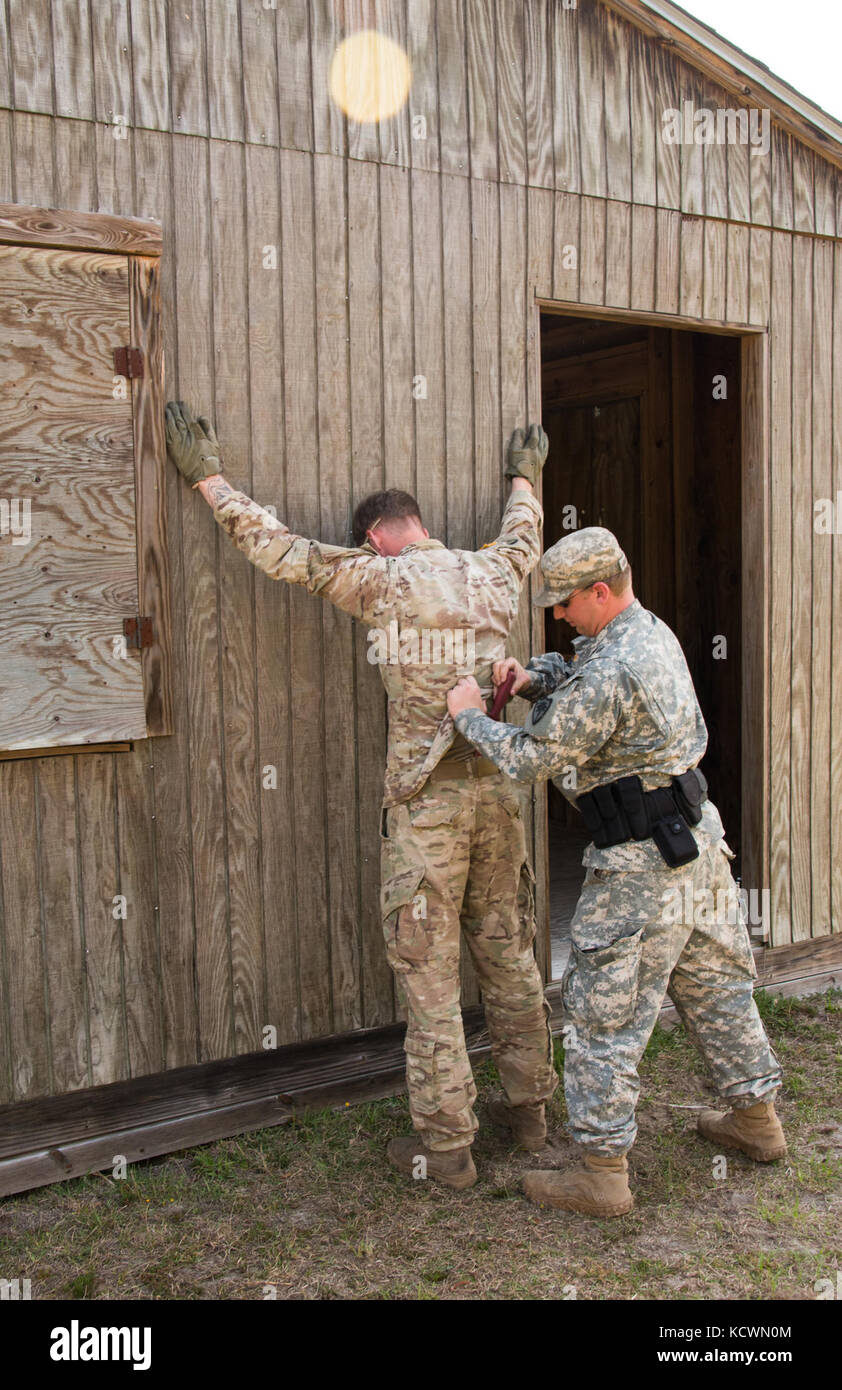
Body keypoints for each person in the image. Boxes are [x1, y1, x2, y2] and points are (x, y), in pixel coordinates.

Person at [164, 402, 558, 1190]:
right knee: (511, 961)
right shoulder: (490, 570)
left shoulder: (378, 577)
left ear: (378, 534)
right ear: (417, 523)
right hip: (498, 796)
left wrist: (206, 476)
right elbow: (525, 533)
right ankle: (533, 1122)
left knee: (430, 977)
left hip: (427, 811)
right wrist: (527, 474)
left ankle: (448, 1154)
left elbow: (277, 549)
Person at [446, 526, 785, 1216]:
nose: (559, 615)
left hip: (639, 869)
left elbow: (531, 757)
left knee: (604, 1013)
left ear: (600, 591)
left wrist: (468, 717)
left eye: (565, 604)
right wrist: (534, 676)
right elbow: (586, 679)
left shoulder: (611, 669)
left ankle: (602, 1174)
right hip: (695, 845)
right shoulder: (646, 631)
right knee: (717, 987)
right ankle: (757, 1121)